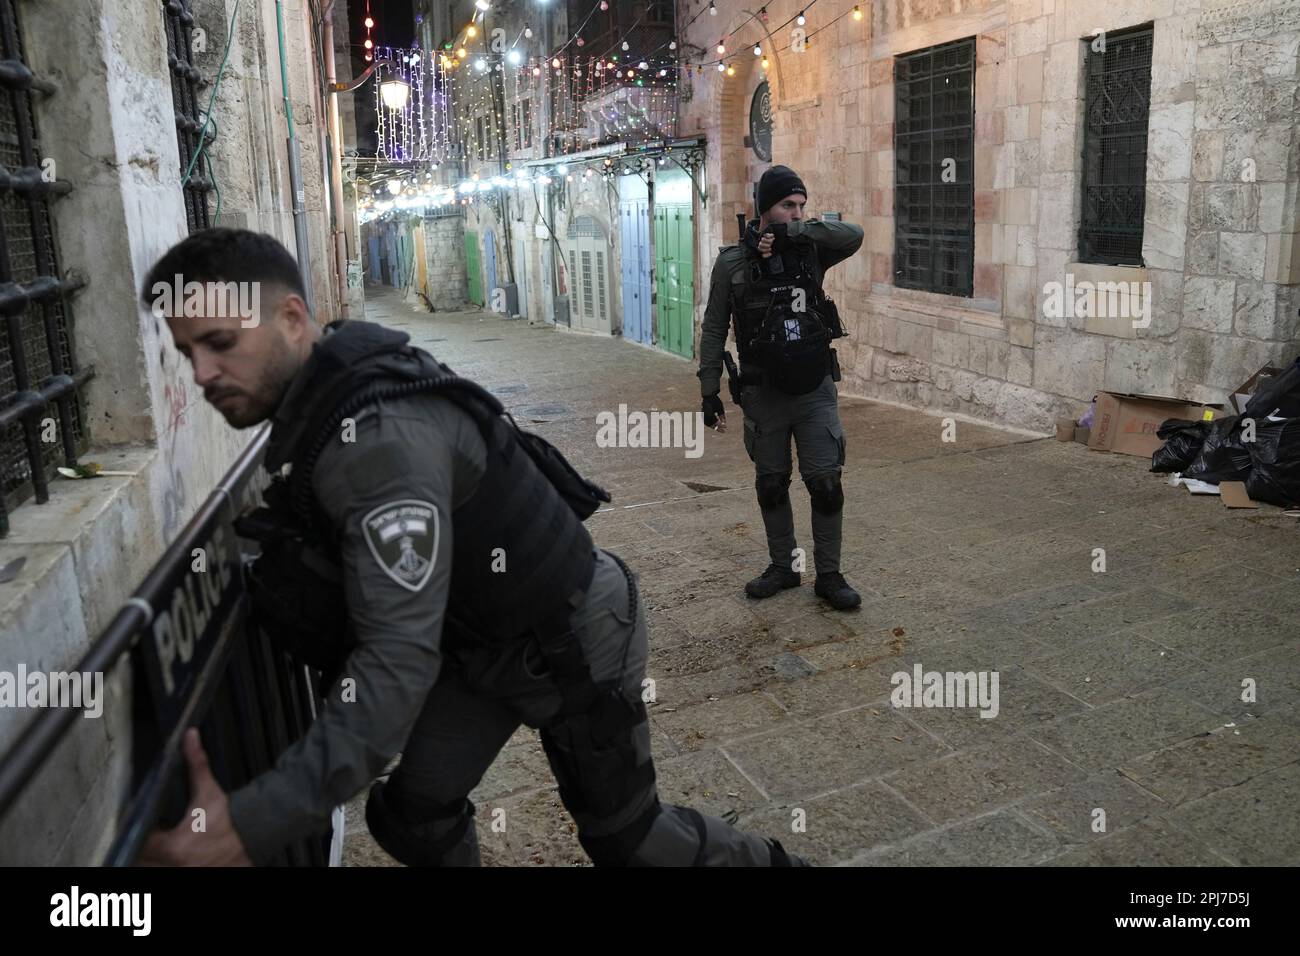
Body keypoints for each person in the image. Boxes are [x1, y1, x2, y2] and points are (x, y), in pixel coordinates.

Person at [136, 228, 805, 867]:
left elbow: (393, 665)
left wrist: (248, 825)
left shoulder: (377, 446)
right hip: (486, 649)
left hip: (574, 635)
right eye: (187, 351)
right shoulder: (339, 386)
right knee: (411, 817)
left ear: (289, 318)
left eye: (220, 342)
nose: (202, 373)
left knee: (630, 841)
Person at [698, 165, 865, 611]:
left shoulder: (810, 248)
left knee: (826, 484)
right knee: (771, 484)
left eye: (800, 205)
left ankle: (829, 575)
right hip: (764, 392)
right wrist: (708, 388)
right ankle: (784, 566)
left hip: (813, 390)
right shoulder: (734, 262)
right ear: (764, 209)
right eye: (786, 206)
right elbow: (714, 327)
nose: (795, 212)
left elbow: (854, 234)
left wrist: (799, 232)